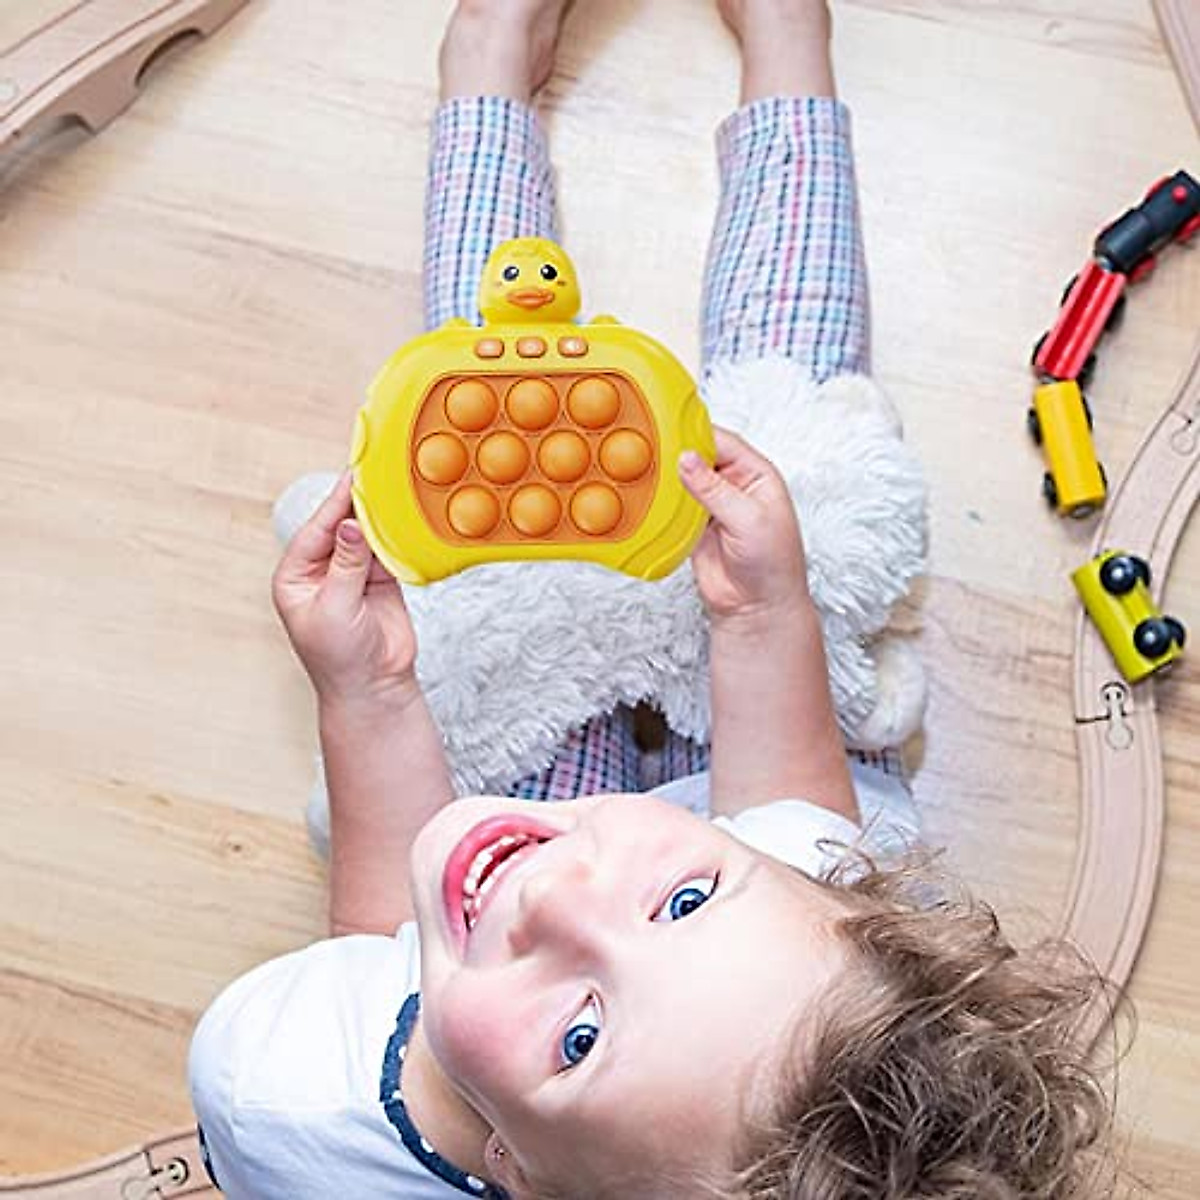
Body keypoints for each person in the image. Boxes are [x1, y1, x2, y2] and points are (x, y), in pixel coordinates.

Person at [188, 1, 1116, 1196]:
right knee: (786, 443)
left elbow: (387, 952)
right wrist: (761, 614)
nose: (559, 895)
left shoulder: (303, 1100)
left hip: (496, 880)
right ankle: (791, 58)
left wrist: (370, 693)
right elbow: (787, 814)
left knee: (499, 436)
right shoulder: (797, 966)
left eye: (579, 1038)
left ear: (520, 1174)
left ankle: (484, 84)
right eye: (683, 901)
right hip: (763, 857)